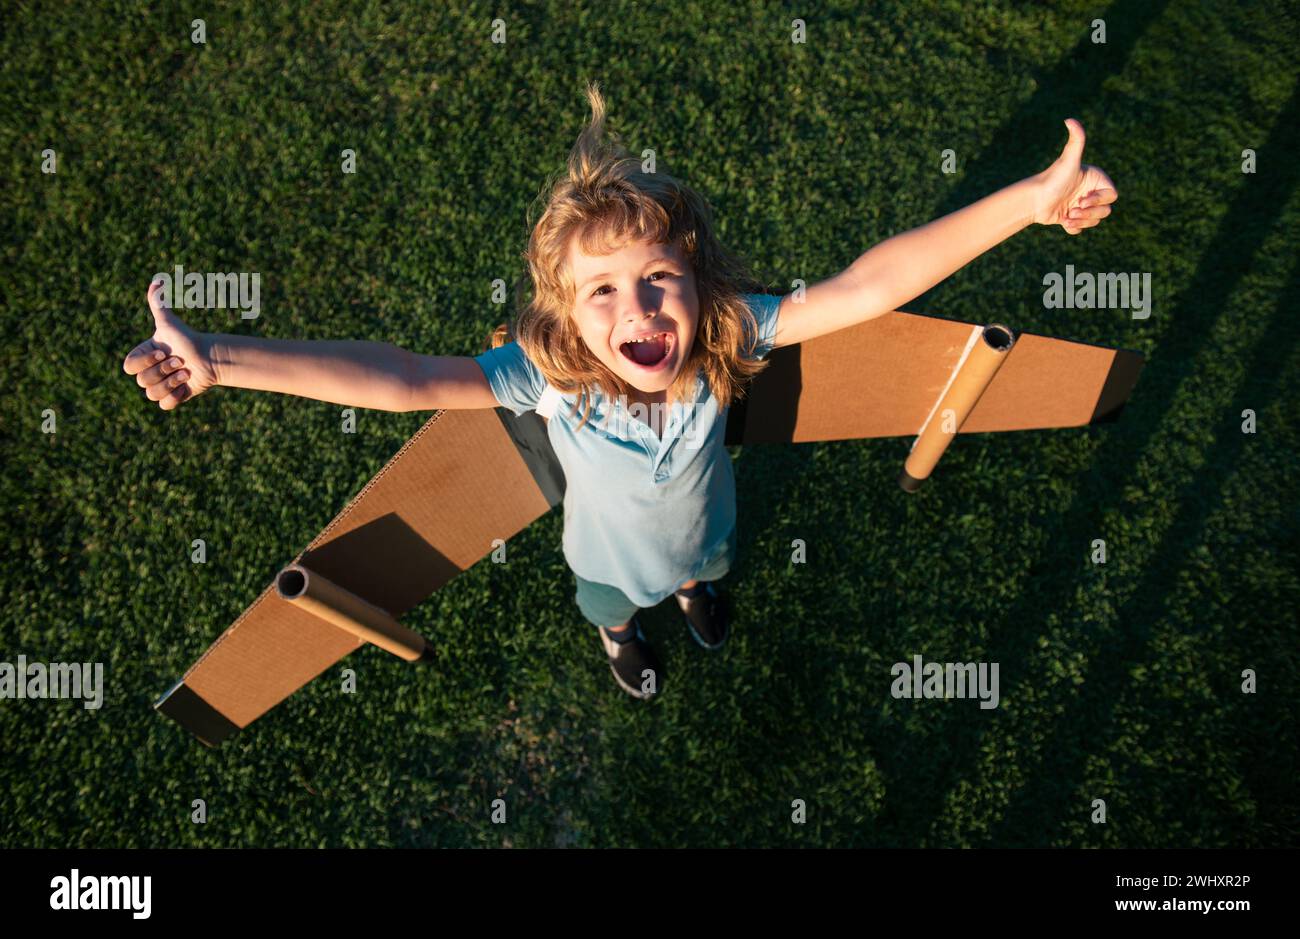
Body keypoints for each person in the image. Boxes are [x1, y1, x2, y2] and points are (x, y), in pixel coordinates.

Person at [122, 81, 1116, 700]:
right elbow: (403, 380)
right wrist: (225, 358)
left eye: (656, 279)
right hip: (602, 559)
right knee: (613, 602)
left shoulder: (728, 329)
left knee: (703, 569)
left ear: (698, 284)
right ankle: (621, 639)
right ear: (562, 313)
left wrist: (1030, 206)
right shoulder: (549, 378)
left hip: (707, 529)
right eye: (601, 291)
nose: (635, 310)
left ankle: (693, 598)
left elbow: (868, 286)